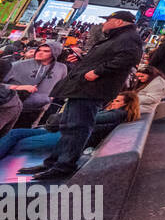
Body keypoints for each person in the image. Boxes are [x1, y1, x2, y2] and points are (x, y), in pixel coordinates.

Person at [17, 11, 143, 181]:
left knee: (77, 128)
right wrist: (83, 60)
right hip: (82, 88)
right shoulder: (118, 38)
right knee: (68, 126)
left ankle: (63, 166)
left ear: (119, 22)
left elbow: (128, 59)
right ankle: (52, 163)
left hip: (92, 90)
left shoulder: (129, 38)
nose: (104, 24)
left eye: (108, 20)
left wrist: (97, 72)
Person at [0, 91, 140, 162]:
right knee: (16, 133)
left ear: (127, 104)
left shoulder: (117, 114)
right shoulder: (114, 113)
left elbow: (87, 119)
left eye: (117, 101)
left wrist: (68, 116)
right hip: (64, 132)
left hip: (67, 138)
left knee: (21, 142)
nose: (113, 102)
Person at [4, 40, 67, 122]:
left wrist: (49, 98)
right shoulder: (18, 65)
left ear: (55, 53)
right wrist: (18, 87)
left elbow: (61, 85)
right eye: (39, 50)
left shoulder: (61, 68)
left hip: (36, 110)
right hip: (11, 107)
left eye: (46, 51)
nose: (40, 53)